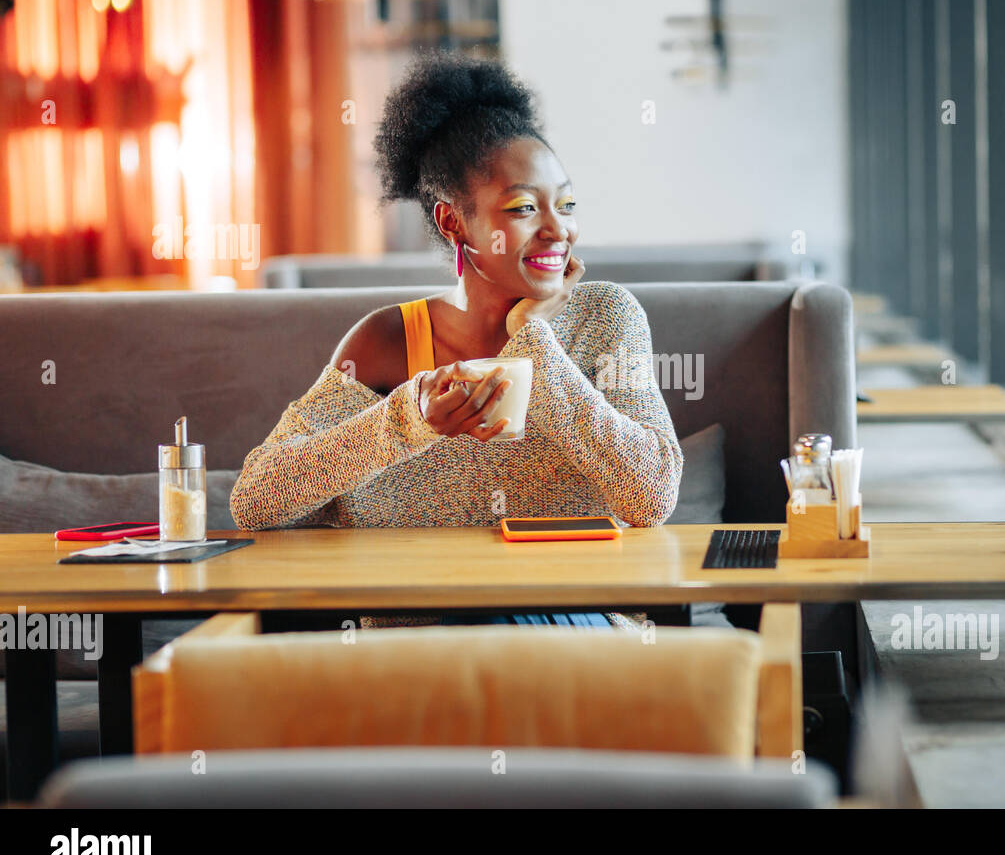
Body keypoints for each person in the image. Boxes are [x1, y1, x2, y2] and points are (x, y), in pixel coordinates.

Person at [228, 50, 684, 627]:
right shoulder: (386, 342)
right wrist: (409, 422)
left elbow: (651, 496)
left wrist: (536, 340)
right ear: (453, 222)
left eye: (565, 204)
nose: (557, 229)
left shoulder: (605, 318)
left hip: (572, 640)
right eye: (523, 207)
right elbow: (256, 500)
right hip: (416, 659)